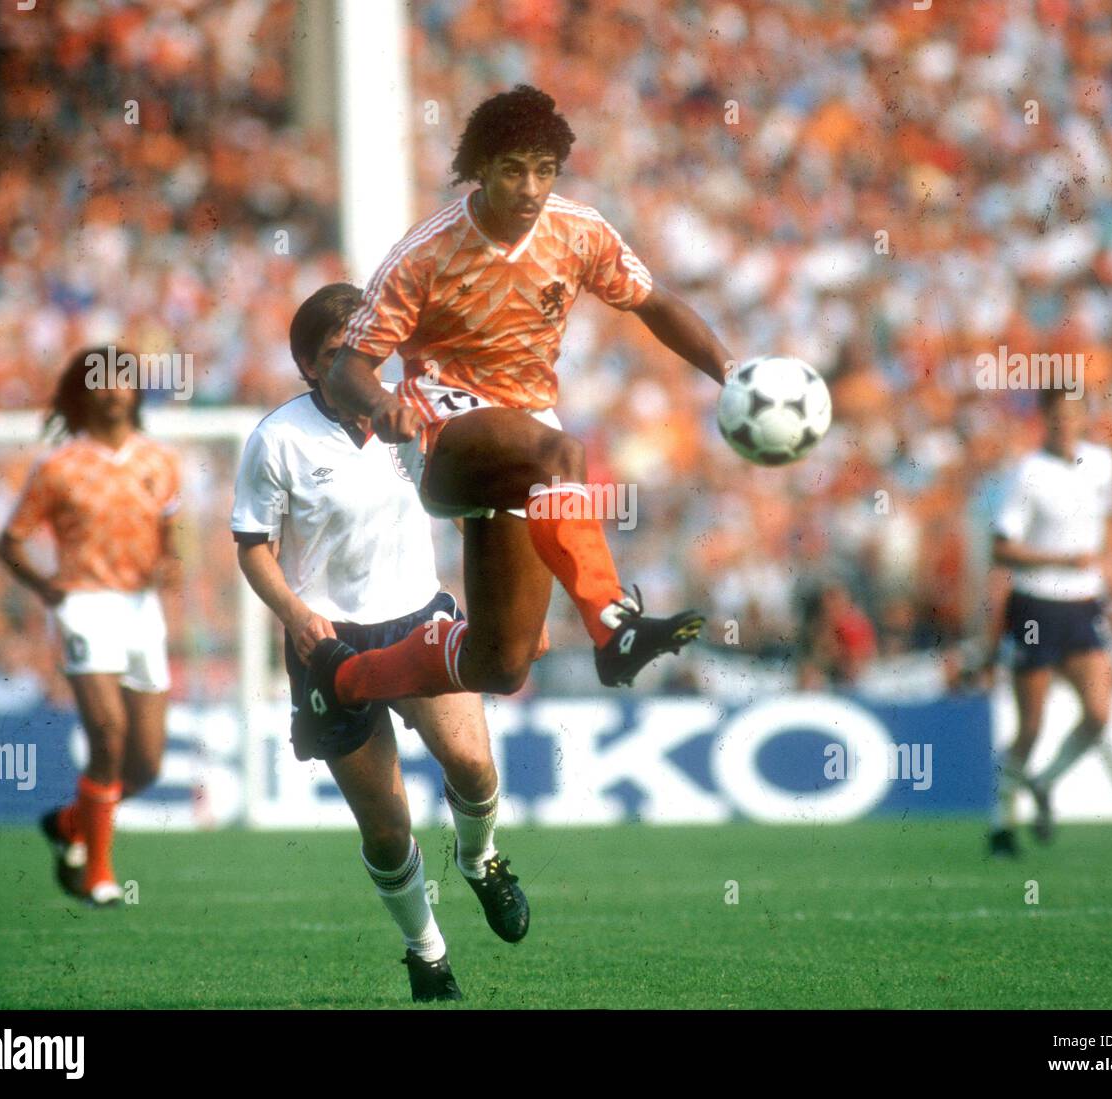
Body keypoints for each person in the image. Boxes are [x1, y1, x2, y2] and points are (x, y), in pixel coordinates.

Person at [302, 84, 740, 740]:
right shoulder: (425, 252)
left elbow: (655, 303)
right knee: (560, 454)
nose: (531, 187)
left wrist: (730, 374)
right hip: (444, 431)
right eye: (513, 170)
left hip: (526, 440)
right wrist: (384, 402)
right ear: (481, 170)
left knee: (501, 662)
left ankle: (338, 685)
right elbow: (347, 366)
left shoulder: (579, 231)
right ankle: (611, 622)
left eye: (544, 169)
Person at [232, 283, 535, 1003]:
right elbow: (251, 547)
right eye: (335, 355)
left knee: (472, 764)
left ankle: (482, 858)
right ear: (309, 366)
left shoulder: (418, 409)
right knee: (388, 825)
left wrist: (511, 592)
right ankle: (427, 953)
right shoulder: (278, 439)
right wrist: (296, 614)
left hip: (420, 617)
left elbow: (470, 507)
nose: (352, 366)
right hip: (331, 644)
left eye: (361, 350)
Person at [0, 347, 181, 906]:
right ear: (82, 393)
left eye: (123, 379)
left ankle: (70, 824)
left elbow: (172, 542)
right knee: (106, 730)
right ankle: (99, 873)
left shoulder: (159, 462)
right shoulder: (58, 467)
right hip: (83, 604)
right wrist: (46, 587)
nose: (113, 390)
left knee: (144, 766)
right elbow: (10, 542)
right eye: (100, 381)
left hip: (139, 610)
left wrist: (169, 564)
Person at [986, 389, 1112, 857]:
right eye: (1057, 415)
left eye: (1074, 414)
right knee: (1032, 726)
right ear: (1044, 418)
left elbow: (1104, 528)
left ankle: (1044, 782)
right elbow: (1001, 547)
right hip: (1036, 607)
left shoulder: (1102, 464)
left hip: (1084, 606)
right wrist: (1063, 560)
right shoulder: (1027, 473)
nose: (1066, 423)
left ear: (1085, 417)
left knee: (1100, 713)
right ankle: (1001, 823)